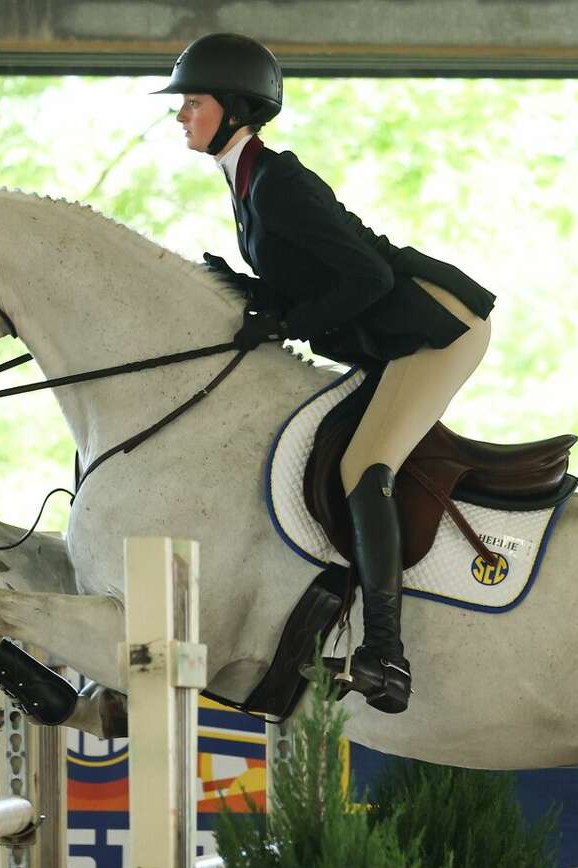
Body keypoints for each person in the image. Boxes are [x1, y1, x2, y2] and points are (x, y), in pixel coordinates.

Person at [158, 33, 495, 716]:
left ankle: (386, 654)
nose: (181, 114)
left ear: (234, 109)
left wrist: (285, 323)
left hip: (435, 327)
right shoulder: (246, 178)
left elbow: (368, 278)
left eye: (193, 102)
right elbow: (315, 276)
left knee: (363, 465)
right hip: (392, 334)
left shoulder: (275, 182)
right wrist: (249, 290)